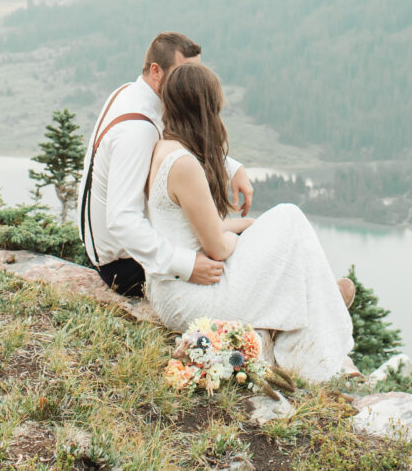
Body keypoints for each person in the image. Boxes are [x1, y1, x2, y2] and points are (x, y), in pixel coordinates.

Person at [144, 61, 355, 383]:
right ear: (205, 108)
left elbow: (185, 231)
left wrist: (234, 227)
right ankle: (325, 316)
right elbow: (217, 249)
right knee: (289, 217)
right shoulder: (184, 164)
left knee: (272, 227)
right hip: (192, 296)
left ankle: (321, 302)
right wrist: (235, 235)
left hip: (172, 286)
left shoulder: (163, 148)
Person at [78, 32, 254, 297]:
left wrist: (232, 168)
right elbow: (122, 219)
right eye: (184, 72)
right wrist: (186, 265)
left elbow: (176, 147)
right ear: (156, 71)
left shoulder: (130, 93)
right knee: (248, 247)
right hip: (124, 267)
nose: (193, 82)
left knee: (249, 229)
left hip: (123, 253)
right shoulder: (137, 130)